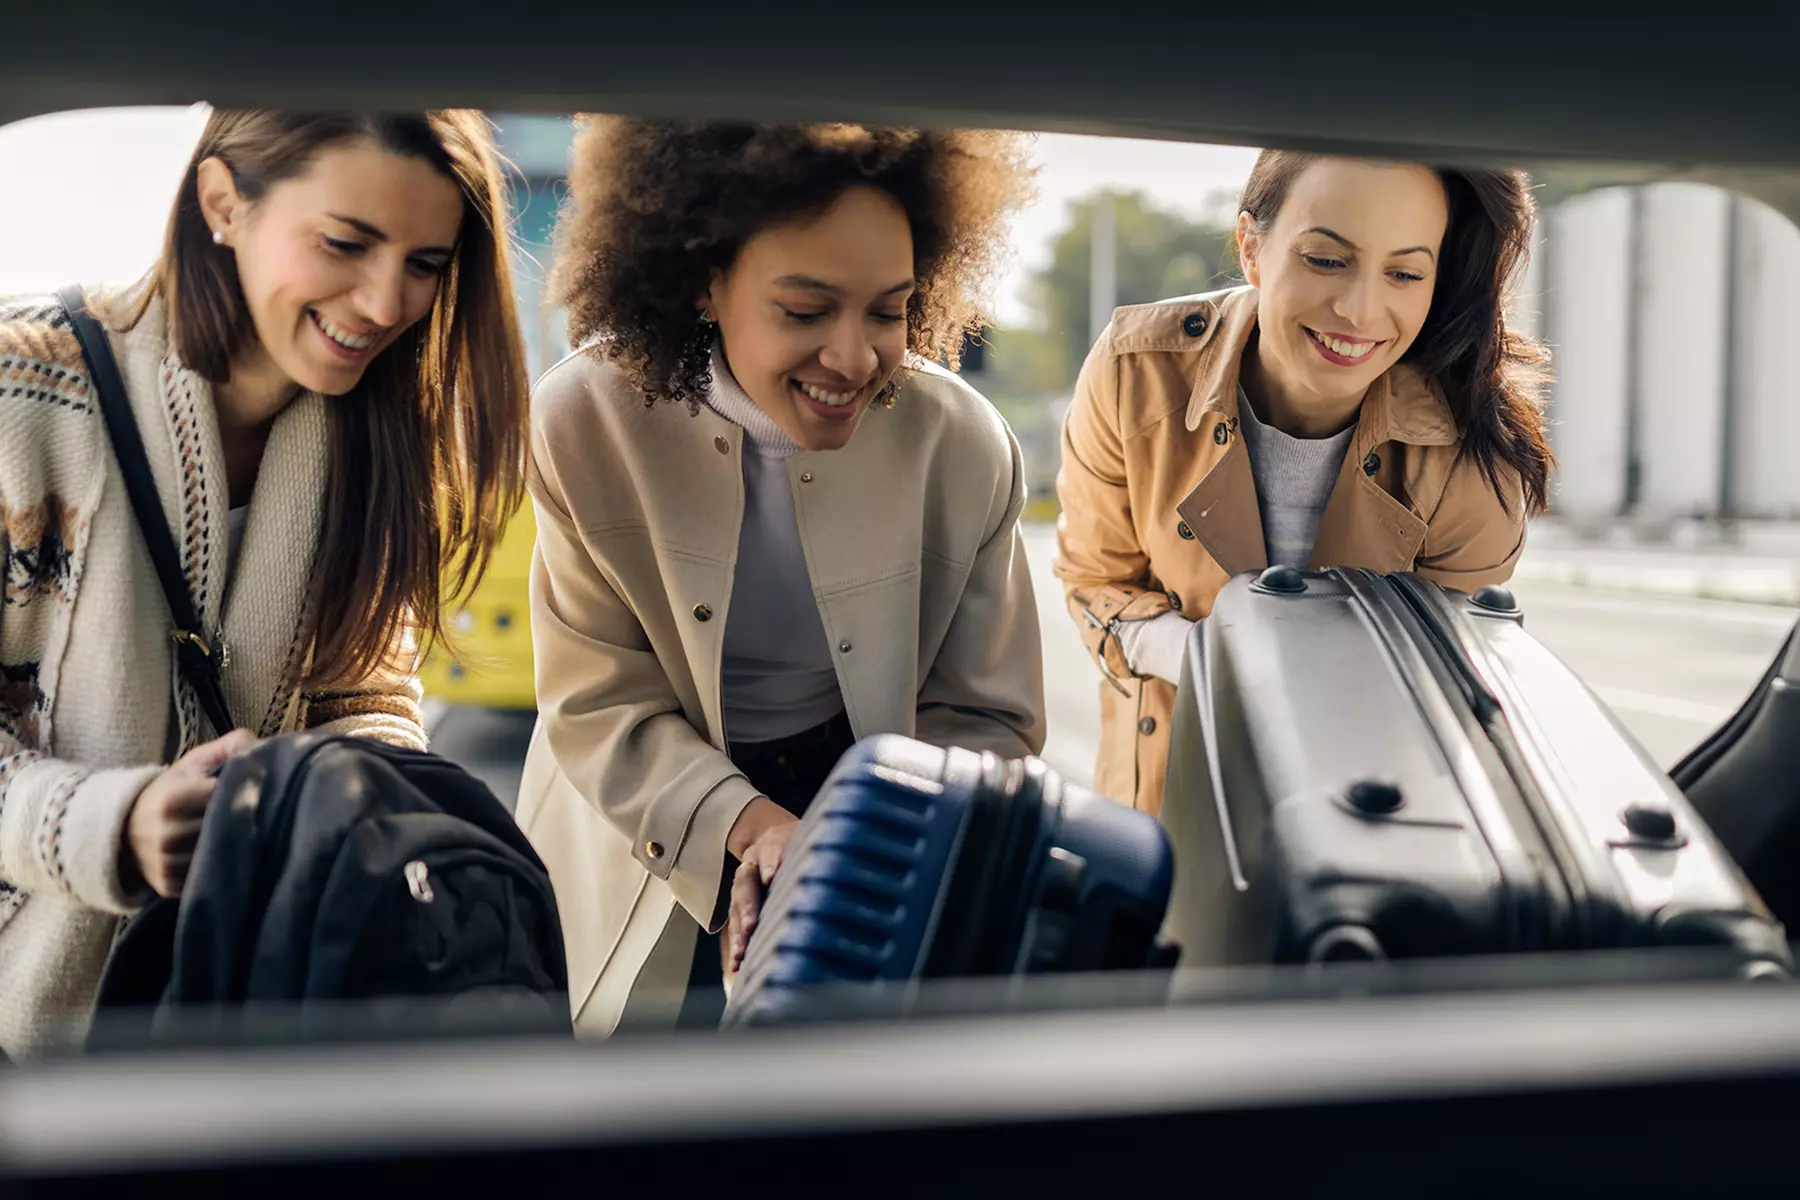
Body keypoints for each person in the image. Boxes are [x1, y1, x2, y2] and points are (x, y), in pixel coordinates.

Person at [0, 109, 530, 1055]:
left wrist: (336, 779)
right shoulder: (21, 389)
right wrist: (108, 824)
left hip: (246, 1039)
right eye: (345, 243)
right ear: (222, 203)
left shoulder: (380, 442)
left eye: (425, 264)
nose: (382, 302)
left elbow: (367, 696)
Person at [516, 118, 1046, 1035]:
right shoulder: (580, 420)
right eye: (805, 312)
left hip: (874, 812)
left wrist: (876, 846)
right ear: (704, 282)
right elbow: (598, 704)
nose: (854, 358)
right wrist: (750, 825)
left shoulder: (964, 445)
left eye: (889, 310)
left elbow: (987, 720)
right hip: (640, 819)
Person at [1054, 151, 1553, 816]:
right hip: (1159, 810)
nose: (1360, 310)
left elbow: (1450, 677)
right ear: (1251, 248)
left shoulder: (1473, 448)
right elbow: (1096, 584)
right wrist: (1216, 661)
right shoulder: (1134, 372)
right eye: (1325, 259)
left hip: (1376, 818)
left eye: (1404, 273)